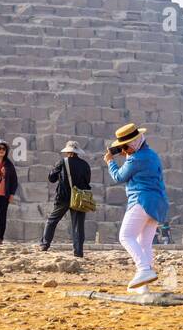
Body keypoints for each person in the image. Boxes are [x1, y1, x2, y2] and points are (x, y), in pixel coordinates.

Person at [105, 122, 169, 290]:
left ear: (133, 143)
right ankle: (143, 286)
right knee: (144, 244)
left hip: (141, 200)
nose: (124, 151)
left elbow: (119, 177)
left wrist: (110, 162)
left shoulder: (135, 159)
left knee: (125, 236)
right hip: (157, 204)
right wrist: (127, 155)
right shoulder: (151, 154)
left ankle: (143, 269)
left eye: (124, 147)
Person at [43, 140, 91, 257]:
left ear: (67, 151)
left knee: (52, 220)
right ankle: (78, 252)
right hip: (80, 198)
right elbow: (87, 181)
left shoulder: (62, 162)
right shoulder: (85, 165)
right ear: (77, 152)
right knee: (78, 226)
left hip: (63, 197)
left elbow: (51, 178)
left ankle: (45, 244)